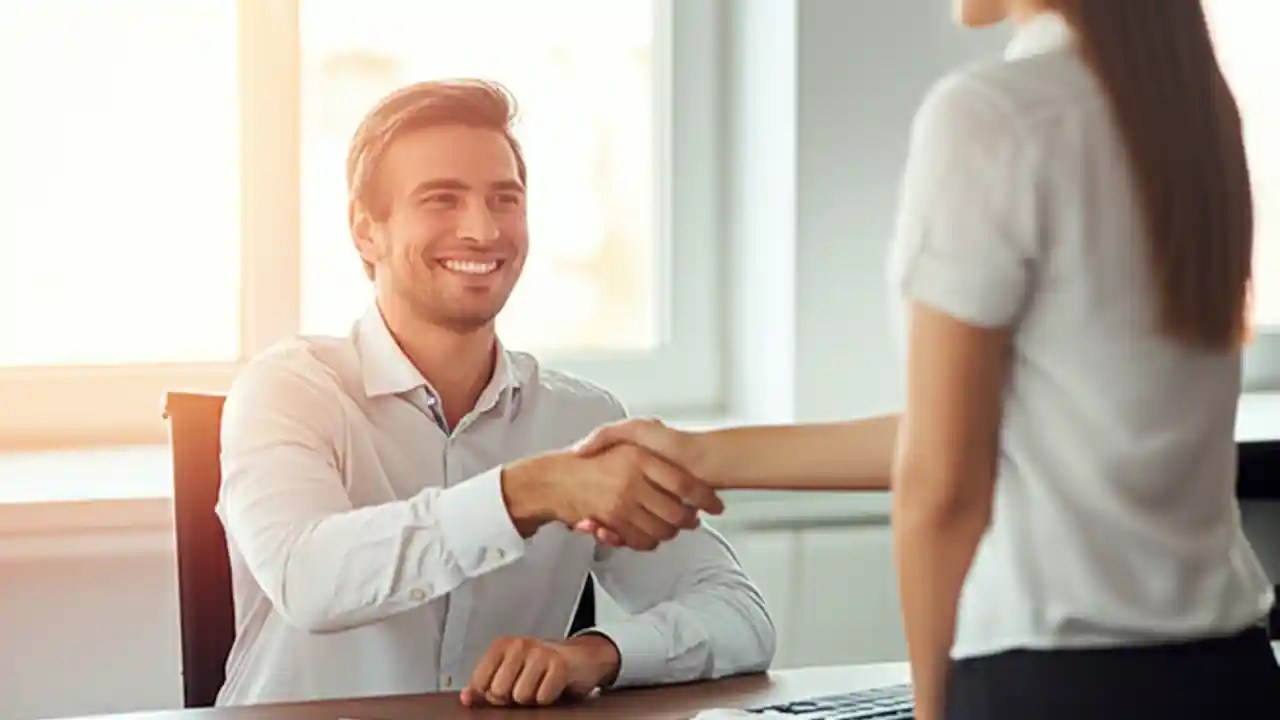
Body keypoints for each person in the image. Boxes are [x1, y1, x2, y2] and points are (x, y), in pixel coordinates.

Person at [575, 1, 1280, 718]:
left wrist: (933, 710)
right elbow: (990, 430)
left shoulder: (993, 116)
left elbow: (942, 481)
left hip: (1059, 682)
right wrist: (695, 455)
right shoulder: (1188, 114)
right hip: (1226, 671)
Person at [215, 79, 775, 708]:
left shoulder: (581, 418)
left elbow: (740, 618)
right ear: (365, 230)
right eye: (442, 199)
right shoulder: (287, 390)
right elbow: (308, 579)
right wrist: (527, 493)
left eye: (503, 199)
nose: (482, 231)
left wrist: (595, 654)